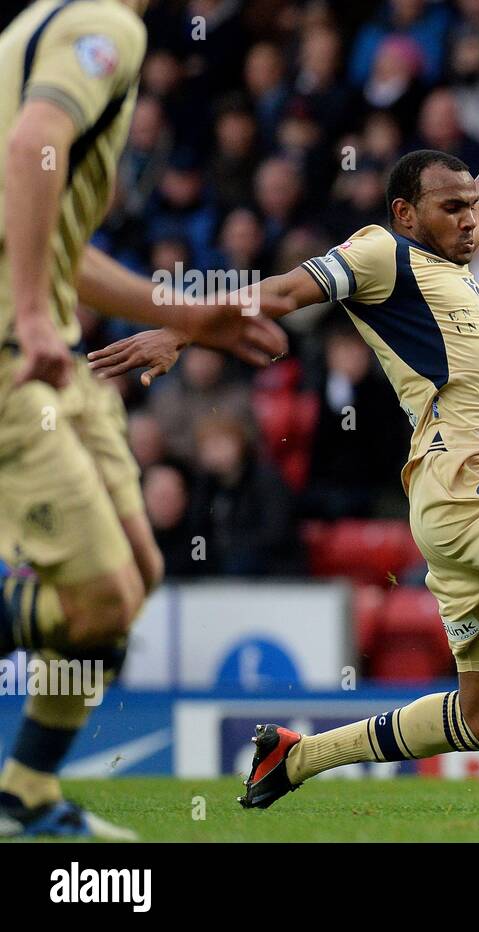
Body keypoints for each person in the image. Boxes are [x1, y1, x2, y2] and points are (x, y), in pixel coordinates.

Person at [91, 95, 479, 804]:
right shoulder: (381, 254)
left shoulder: (448, 263)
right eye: (451, 208)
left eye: (474, 207)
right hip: (467, 479)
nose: (471, 218)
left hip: (469, 500)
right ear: (404, 216)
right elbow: (289, 288)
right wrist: (182, 330)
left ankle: (295, 757)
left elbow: (470, 198)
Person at [0, 0, 286, 838]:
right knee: (98, 603)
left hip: (46, 353)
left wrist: (185, 315)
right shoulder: (106, 26)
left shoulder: (33, 28)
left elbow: (56, 236)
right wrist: (32, 317)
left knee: (137, 572)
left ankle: (23, 796)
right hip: (20, 352)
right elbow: (28, 151)